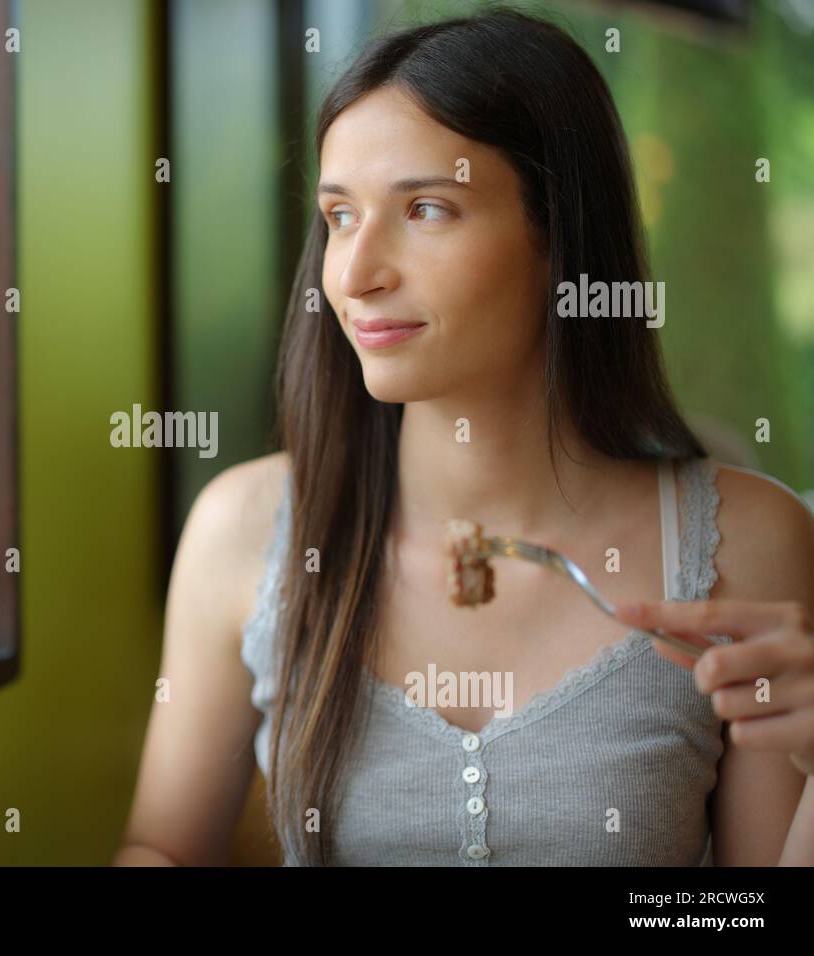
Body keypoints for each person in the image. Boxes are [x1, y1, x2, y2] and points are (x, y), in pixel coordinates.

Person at [113, 8, 814, 866]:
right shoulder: (246, 532)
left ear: (560, 237)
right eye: (339, 217)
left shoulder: (748, 543)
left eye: (427, 209)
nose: (357, 274)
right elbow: (162, 848)